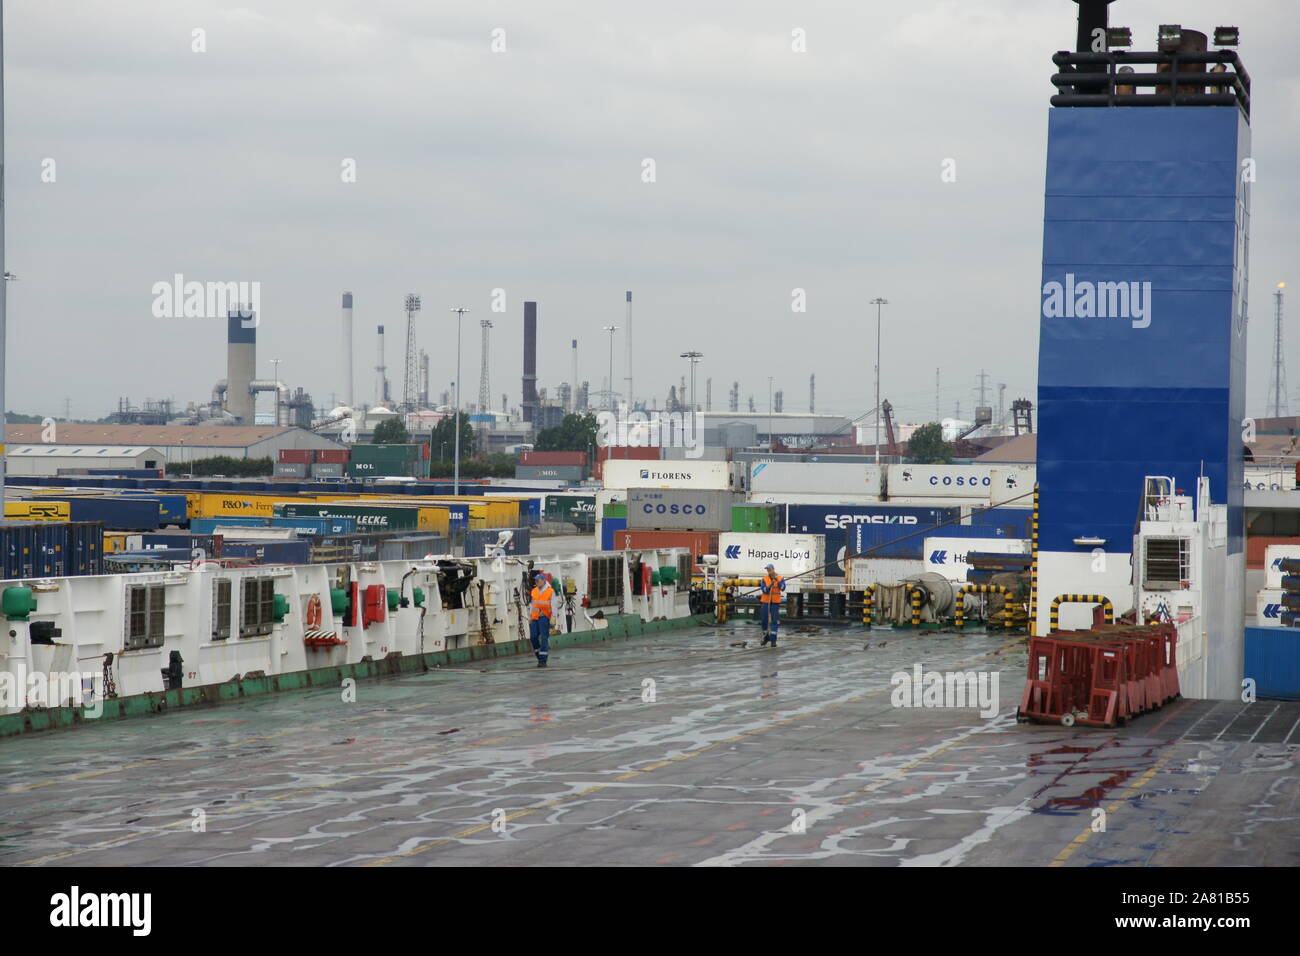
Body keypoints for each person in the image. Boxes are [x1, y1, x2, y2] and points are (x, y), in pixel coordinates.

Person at [529, 571, 555, 667]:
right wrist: (530, 616)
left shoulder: (550, 591)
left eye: (538, 580)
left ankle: (543, 660)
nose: (536, 582)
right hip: (535, 618)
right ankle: (539, 656)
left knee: (544, 638)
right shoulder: (534, 590)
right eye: (535, 580)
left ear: (544, 580)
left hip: (544, 617)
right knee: (533, 637)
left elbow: (554, 606)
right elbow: (532, 604)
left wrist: (553, 619)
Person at [758, 563, 786, 646]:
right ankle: (766, 638)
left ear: (773, 569)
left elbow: (783, 588)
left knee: (774, 621)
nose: (769, 571)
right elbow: (763, 589)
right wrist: (769, 587)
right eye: (767, 570)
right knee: (764, 621)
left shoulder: (780, 578)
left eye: (770, 569)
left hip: (775, 602)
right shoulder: (764, 579)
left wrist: (777, 581)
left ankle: (773, 641)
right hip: (766, 602)